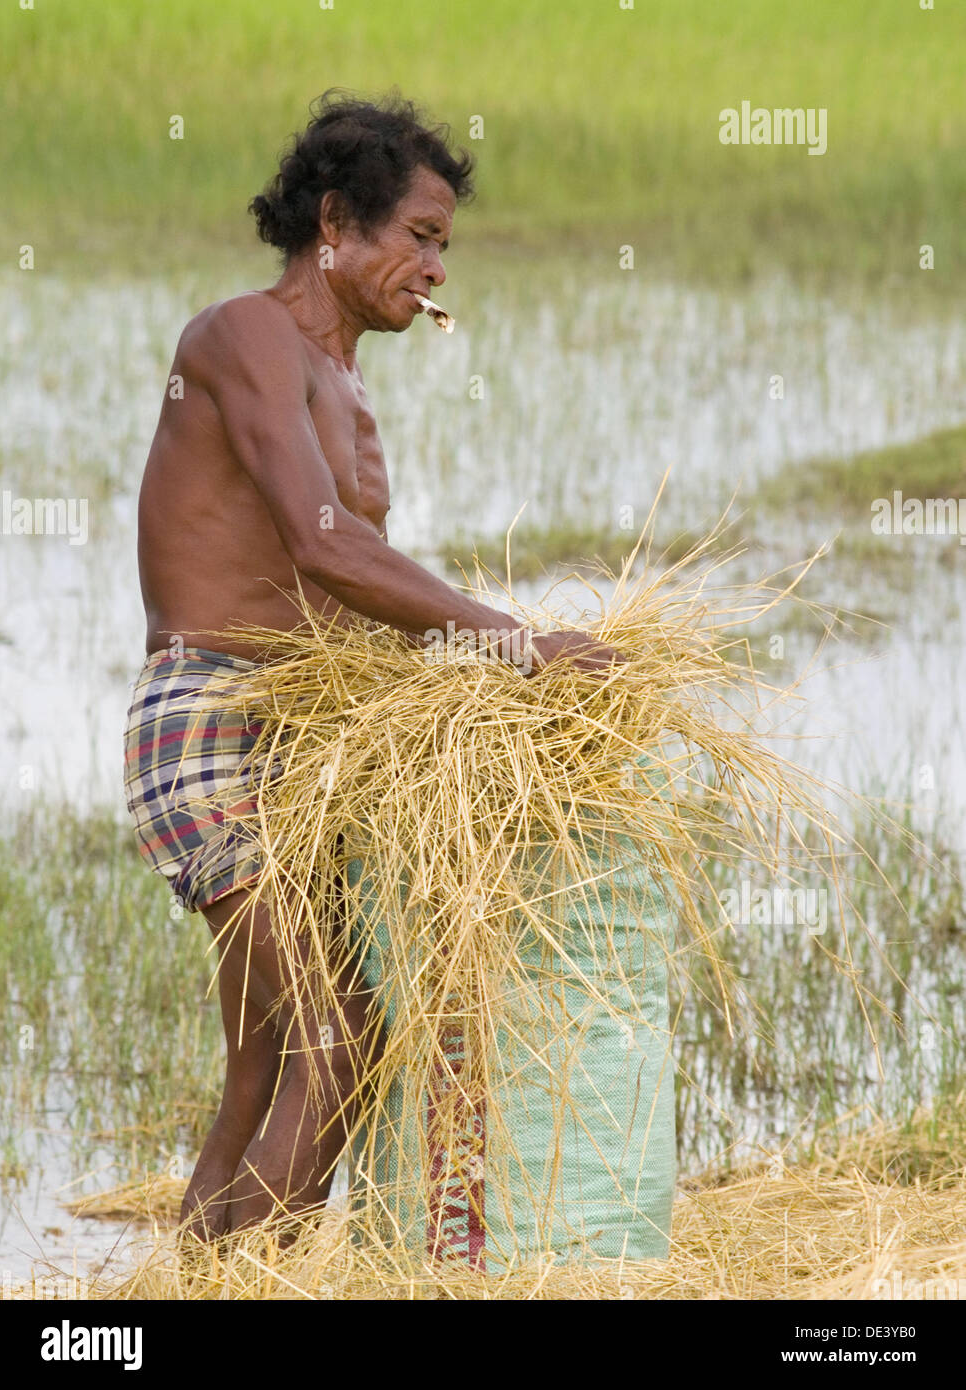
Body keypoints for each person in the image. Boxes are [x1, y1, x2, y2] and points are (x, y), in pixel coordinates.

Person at [123, 89, 626, 1243]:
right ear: (336, 222)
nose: (438, 270)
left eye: (445, 246)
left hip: (300, 741)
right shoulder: (243, 335)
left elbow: (350, 594)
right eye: (422, 237)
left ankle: (180, 1294)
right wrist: (513, 645)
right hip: (212, 719)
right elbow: (322, 543)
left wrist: (463, 701)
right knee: (339, 1044)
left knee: (265, 1074)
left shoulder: (349, 387)